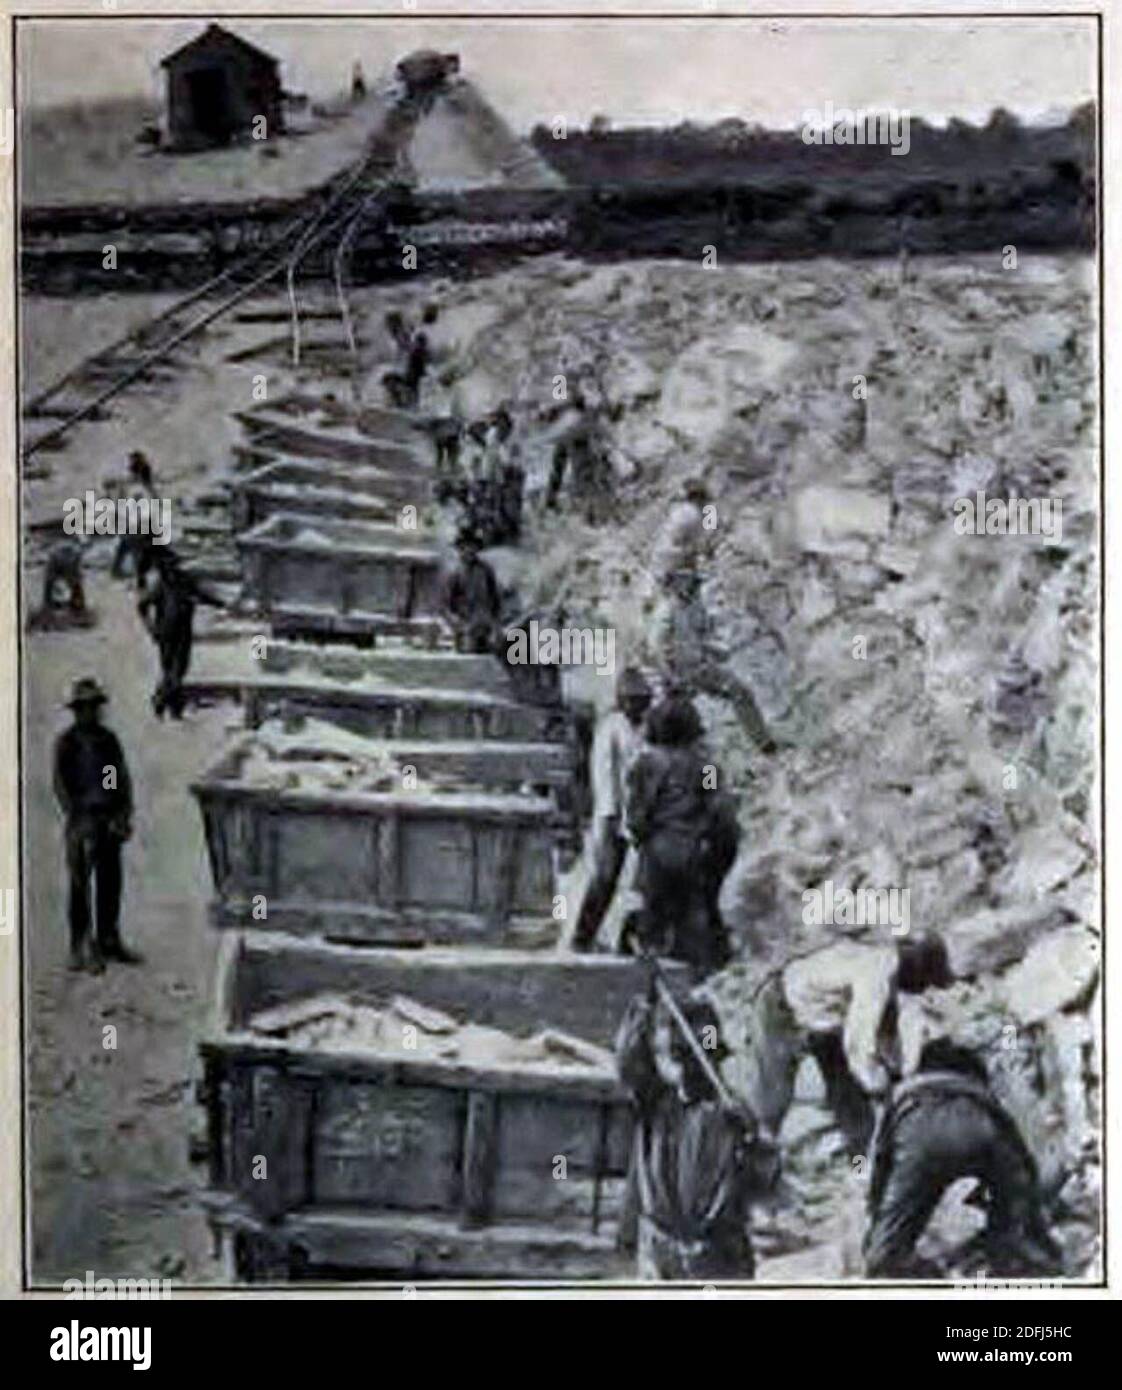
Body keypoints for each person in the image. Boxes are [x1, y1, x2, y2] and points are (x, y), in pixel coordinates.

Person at [864, 1040, 1062, 1278]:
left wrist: (879, 1223)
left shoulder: (903, 1090)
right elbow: (1019, 1158)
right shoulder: (985, 1078)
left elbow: (879, 1162)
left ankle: (894, 1266)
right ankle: (1018, 1255)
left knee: (885, 1257)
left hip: (919, 1135)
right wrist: (1032, 1220)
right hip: (980, 1127)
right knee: (1016, 1218)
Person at [742, 932, 953, 1156]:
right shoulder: (876, 974)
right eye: (926, 981)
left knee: (854, 1111)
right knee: (770, 1103)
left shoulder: (888, 973)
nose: (924, 989)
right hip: (782, 1004)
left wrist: (900, 1072)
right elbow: (859, 1042)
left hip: (827, 1021)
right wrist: (879, 1086)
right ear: (916, 969)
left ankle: (860, 1170)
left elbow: (886, 1036)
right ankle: (747, 1160)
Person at [616, 988, 773, 1278]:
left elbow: (763, 1183)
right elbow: (629, 1062)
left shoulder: (730, 1114)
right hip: (661, 1250)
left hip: (715, 1254)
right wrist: (644, 1007)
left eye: (690, 1058)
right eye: (670, 1056)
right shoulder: (654, 1102)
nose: (683, 1070)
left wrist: (751, 1145)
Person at [625, 696, 735, 975]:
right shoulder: (707, 767)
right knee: (696, 921)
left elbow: (636, 818)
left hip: (657, 853)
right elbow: (721, 812)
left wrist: (645, 843)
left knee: (653, 923)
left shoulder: (645, 765)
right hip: (694, 851)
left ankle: (647, 983)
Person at [53, 678, 140, 972]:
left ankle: (108, 939)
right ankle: (79, 945)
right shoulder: (67, 743)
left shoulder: (107, 741)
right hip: (81, 820)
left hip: (106, 818)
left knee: (109, 881)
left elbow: (115, 778)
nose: (90, 713)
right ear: (76, 711)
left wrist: (121, 813)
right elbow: (61, 785)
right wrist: (77, 814)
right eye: (84, 708)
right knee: (80, 885)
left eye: (94, 707)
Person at [571, 668, 652, 953]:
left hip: (638, 815)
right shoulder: (612, 727)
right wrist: (609, 814)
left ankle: (625, 938)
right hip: (613, 814)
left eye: (643, 701)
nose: (638, 707)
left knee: (639, 882)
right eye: (632, 701)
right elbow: (604, 773)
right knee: (605, 878)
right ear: (622, 700)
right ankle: (582, 937)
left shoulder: (646, 729)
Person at [653, 567, 775, 752]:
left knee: (740, 693)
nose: (695, 588)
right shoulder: (666, 612)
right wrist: (671, 677)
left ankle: (763, 744)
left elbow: (701, 638)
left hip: (702, 668)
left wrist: (715, 652)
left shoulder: (694, 605)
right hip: (682, 674)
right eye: (690, 583)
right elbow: (659, 650)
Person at [138, 551, 224, 720]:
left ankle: (169, 702)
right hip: (166, 632)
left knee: (179, 668)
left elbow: (201, 596)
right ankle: (165, 702)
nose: (171, 569)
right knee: (172, 669)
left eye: (173, 565)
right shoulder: (161, 586)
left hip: (183, 630)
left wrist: (219, 603)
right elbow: (142, 606)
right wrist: (150, 627)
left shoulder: (185, 581)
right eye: (167, 566)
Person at [443, 531, 501, 654]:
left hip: (485, 625)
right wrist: (457, 625)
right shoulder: (455, 573)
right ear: (459, 550)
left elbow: (495, 599)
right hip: (466, 626)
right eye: (465, 547)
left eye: (472, 547)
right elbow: (446, 606)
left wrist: (495, 624)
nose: (469, 550)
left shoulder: (486, 570)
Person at [41, 538, 86, 615]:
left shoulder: (76, 553)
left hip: (65, 561)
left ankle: (77, 606)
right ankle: (49, 605)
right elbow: (51, 574)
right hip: (57, 561)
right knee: (51, 582)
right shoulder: (56, 555)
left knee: (75, 584)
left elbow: (76, 571)